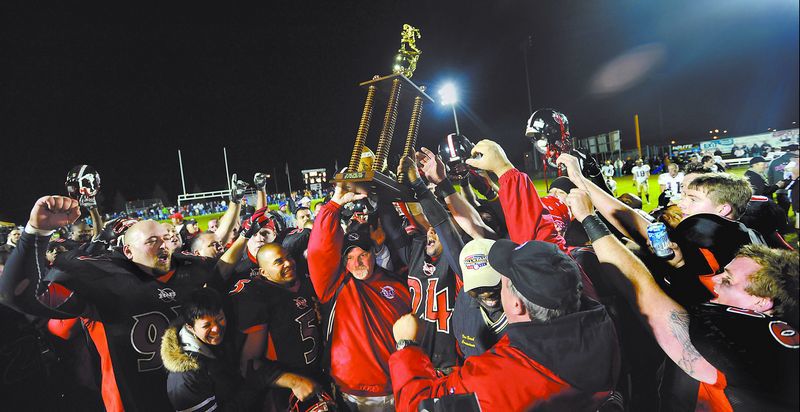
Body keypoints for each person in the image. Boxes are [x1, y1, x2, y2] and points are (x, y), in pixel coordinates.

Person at [0, 195, 250, 411]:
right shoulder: (101, 281)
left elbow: (220, 271)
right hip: (134, 403)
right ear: (127, 251)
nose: (163, 244)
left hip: (195, 395)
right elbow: (19, 294)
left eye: (165, 237)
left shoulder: (189, 270)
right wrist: (36, 232)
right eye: (152, 241)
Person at [564, 189, 798, 410]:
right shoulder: (764, 312)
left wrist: (589, 219)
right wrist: (681, 267)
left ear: (761, 302)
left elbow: (642, 290)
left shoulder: (750, 340)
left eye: (727, 280)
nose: (715, 281)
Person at [389, 239, 620, 411]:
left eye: (503, 282)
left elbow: (417, 406)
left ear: (517, 305)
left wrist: (406, 346)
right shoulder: (600, 324)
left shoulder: (499, 379)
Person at [308, 183, 412, 410]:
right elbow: (319, 251)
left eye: (363, 254)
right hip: (355, 396)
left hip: (400, 387)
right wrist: (333, 205)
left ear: (373, 253)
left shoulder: (396, 283)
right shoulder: (335, 286)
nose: (357, 263)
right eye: (350, 257)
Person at [231, 243, 328, 409]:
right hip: (286, 391)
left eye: (288, 257)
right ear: (263, 272)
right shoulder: (259, 297)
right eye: (278, 262)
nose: (289, 263)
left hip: (318, 375)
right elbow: (249, 366)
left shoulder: (304, 281)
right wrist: (294, 382)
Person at [161, 288, 269, 411]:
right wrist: (253, 386)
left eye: (220, 319)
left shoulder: (225, 338)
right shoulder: (185, 376)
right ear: (190, 328)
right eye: (207, 325)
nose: (216, 329)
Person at [767, 144, 799, 216]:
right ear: (797, 151)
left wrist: (773, 189)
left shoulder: (774, 161)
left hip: (780, 189)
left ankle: (784, 223)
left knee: (783, 211)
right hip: (796, 189)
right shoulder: (798, 161)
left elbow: (770, 177)